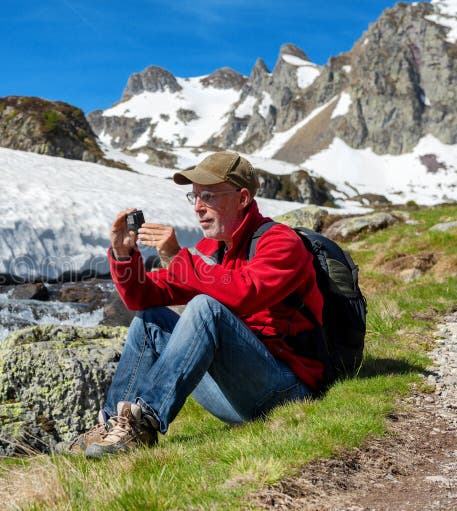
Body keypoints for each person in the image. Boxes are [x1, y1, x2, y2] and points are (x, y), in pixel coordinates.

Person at [68, 150, 326, 459]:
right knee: (151, 319)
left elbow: (245, 294)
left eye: (209, 196)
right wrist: (124, 257)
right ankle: (113, 426)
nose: (199, 208)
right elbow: (142, 297)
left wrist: (179, 257)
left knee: (205, 308)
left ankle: (143, 424)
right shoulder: (210, 249)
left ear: (243, 198)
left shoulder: (281, 242)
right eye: (195, 197)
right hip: (237, 394)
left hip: (285, 393)